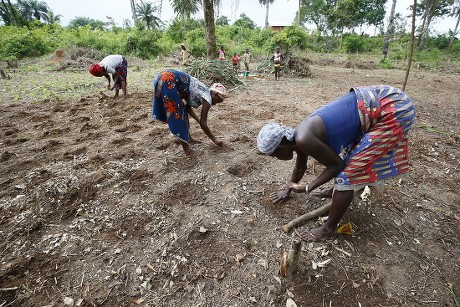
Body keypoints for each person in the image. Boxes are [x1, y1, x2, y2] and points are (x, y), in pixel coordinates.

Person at [257, 85, 416, 242]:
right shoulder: (298, 137)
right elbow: (300, 166)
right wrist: (287, 190)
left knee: (347, 176)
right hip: (376, 103)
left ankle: (327, 230)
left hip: (393, 109)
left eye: (273, 155)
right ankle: (335, 191)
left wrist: (308, 187)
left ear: (281, 146)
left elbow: (337, 166)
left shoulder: (304, 139)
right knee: (349, 158)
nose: (274, 158)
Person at [152, 70, 227, 158]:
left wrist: (199, 121)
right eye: (219, 101)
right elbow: (204, 124)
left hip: (164, 77)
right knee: (178, 115)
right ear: (215, 94)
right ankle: (188, 152)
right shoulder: (208, 99)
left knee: (182, 111)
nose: (216, 103)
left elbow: (187, 108)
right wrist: (215, 140)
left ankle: (189, 139)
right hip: (168, 80)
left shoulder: (203, 91)